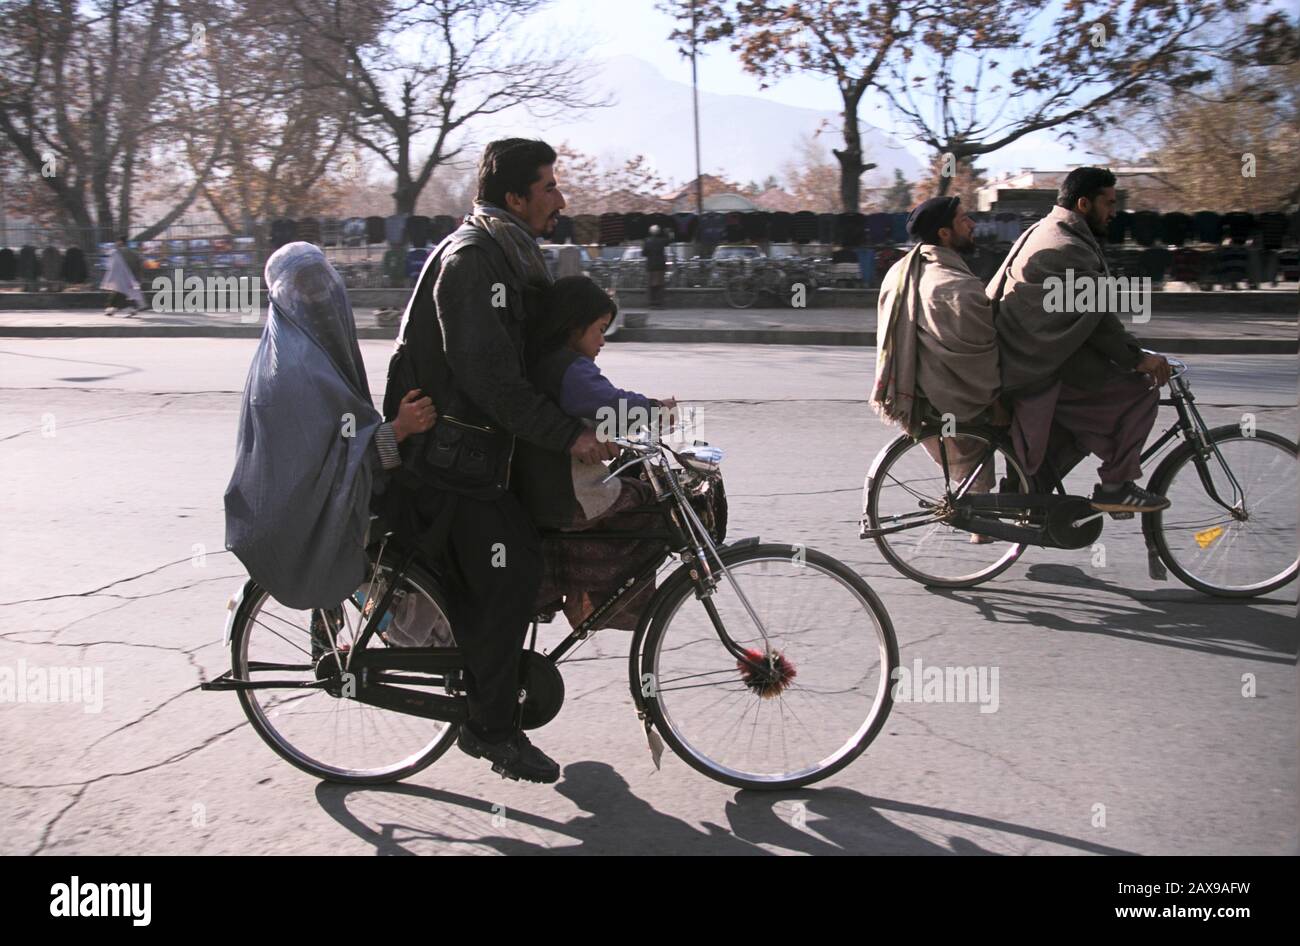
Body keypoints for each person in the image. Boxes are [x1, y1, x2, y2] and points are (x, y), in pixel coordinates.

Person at [381, 138, 619, 784]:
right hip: (448, 464)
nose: (561, 199)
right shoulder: (475, 262)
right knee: (512, 571)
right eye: (549, 187)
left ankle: (489, 687)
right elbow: (494, 382)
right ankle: (490, 730)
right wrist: (567, 435)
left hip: (482, 455)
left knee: (526, 556)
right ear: (515, 198)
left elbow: (545, 357)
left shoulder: (510, 256)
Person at [224, 242, 435, 612]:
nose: (318, 294)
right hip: (305, 519)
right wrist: (397, 430)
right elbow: (331, 467)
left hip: (326, 511)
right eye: (304, 285)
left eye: (322, 281)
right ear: (281, 297)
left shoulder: (309, 350)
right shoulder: (293, 371)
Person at [988, 167, 1172, 513]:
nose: (1114, 212)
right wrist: (1136, 358)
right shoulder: (1070, 247)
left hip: (1029, 354)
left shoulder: (1046, 229)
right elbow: (1099, 319)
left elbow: (1080, 314)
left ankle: (1027, 489)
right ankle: (1116, 488)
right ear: (1084, 203)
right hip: (1034, 367)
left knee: (1091, 410)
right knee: (1140, 391)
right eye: (1109, 203)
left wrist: (1129, 350)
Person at [515, 275, 678, 630]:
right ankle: (597, 600)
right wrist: (656, 410)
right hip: (570, 493)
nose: (603, 340)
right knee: (650, 508)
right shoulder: (568, 368)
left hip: (544, 493)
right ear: (573, 327)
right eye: (599, 329)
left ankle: (579, 590)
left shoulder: (543, 362)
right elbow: (610, 403)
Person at [872, 195, 1007, 543]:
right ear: (945, 234)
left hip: (914, 393)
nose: (973, 224)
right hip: (946, 398)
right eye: (965, 220)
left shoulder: (902, 271)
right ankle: (1002, 499)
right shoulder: (955, 287)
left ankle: (981, 498)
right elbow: (978, 358)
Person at [101, 236, 144, 316]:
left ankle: (128, 309)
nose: (116, 243)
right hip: (131, 277)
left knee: (120, 293)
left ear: (120, 242)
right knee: (121, 293)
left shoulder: (117, 252)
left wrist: (110, 278)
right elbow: (139, 264)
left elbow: (113, 266)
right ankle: (112, 310)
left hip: (121, 276)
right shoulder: (133, 252)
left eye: (117, 241)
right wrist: (138, 277)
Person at [643, 224, 668, 308]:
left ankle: (651, 302)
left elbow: (644, 253)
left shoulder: (647, 241)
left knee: (651, 284)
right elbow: (668, 240)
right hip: (660, 265)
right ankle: (659, 302)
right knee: (660, 284)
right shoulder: (662, 241)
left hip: (651, 265)